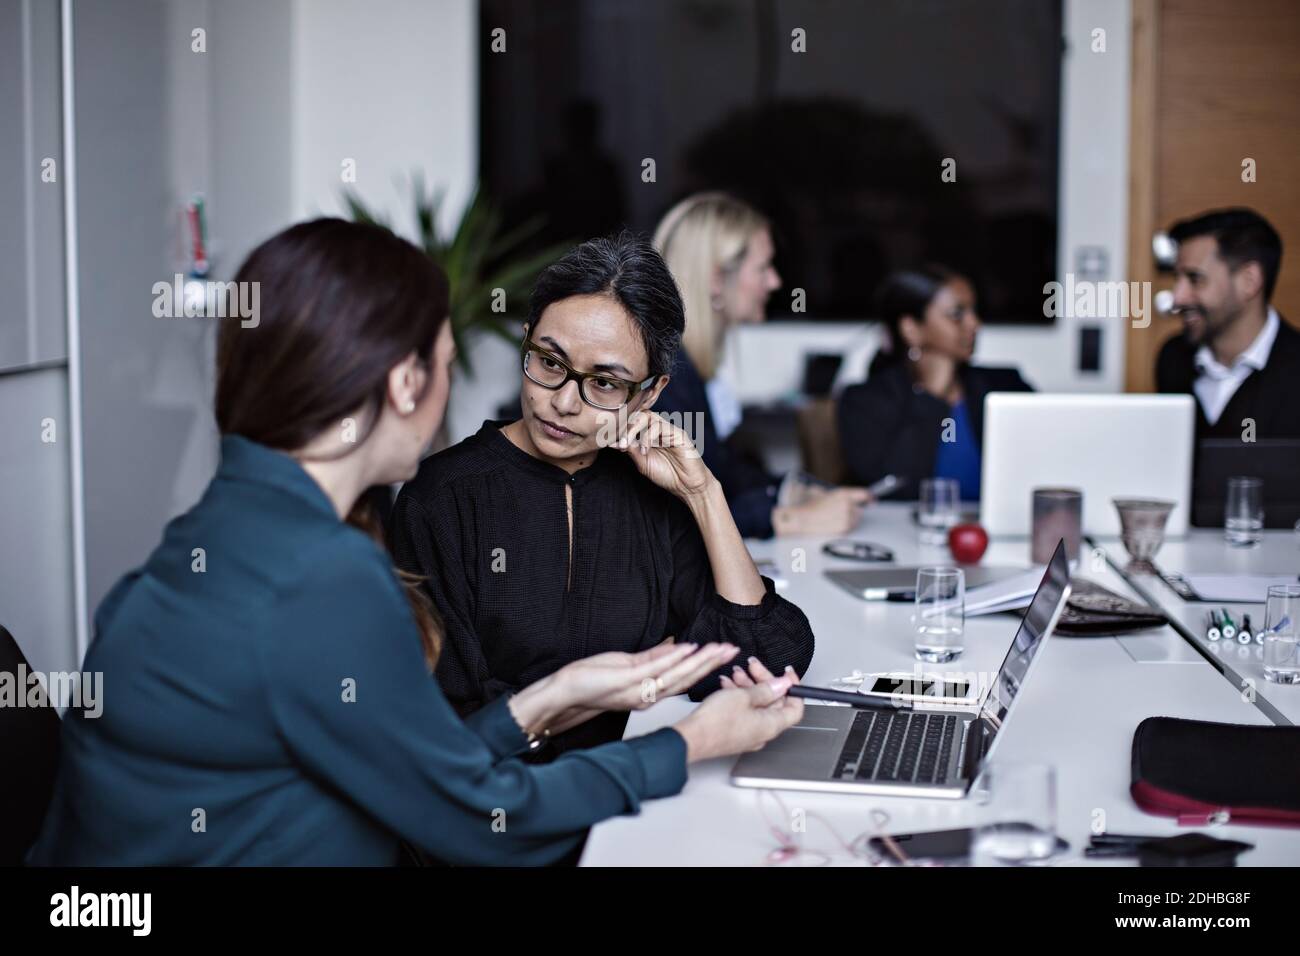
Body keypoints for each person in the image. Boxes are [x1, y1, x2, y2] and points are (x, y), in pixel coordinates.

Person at [28, 219, 803, 867]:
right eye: (443, 359)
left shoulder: (224, 533)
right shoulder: (325, 576)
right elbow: (481, 820)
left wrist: (548, 698)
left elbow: (411, 762)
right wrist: (690, 745)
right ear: (406, 384)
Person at [388, 230, 816, 754]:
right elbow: (453, 732)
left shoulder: (649, 489)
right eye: (549, 363)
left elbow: (767, 658)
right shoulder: (442, 498)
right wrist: (632, 682)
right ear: (527, 341)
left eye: (605, 383)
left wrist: (704, 492)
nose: (564, 403)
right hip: (505, 815)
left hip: (637, 803)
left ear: (651, 393)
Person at [651, 193, 872, 538]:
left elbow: (722, 474)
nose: (775, 282)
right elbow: (678, 514)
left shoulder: (690, 367)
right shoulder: (666, 376)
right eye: (763, 268)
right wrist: (789, 520)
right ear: (715, 279)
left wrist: (791, 490)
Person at [837, 266, 1033, 500]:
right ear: (911, 328)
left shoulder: (1007, 385)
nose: (975, 323)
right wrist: (931, 393)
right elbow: (894, 490)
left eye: (973, 311)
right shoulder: (864, 402)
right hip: (902, 533)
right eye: (957, 314)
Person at [1155, 207, 1299, 439]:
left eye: (1195, 279)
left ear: (1249, 281)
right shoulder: (1173, 359)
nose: (1178, 297)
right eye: (1177, 279)